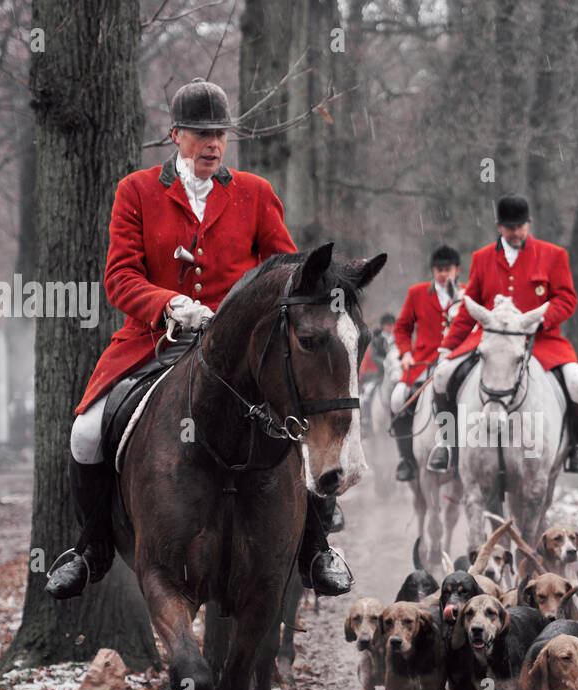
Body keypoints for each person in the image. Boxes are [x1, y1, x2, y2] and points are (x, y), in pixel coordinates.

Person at [45, 78, 353, 600]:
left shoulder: (254, 193)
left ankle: (317, 548)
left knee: (297, 415)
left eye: (221, 134)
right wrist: (168, 304)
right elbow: (119, 277)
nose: (213, 144)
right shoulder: (137, 191)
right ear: (176, 135)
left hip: (240, 355)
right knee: (85, 432)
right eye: (202, 133)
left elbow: (288, 270)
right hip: (154, 342)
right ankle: (92, 546)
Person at [426, 195, 578, 474]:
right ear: (499, 227)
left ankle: (576, 447)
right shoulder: (482, 258)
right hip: (491, 340)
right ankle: (447, 442)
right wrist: (447, 348)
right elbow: (469, 308)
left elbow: (567, 299)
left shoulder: (553, 255)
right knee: (441, 377)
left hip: (541, 340)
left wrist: (543, 320)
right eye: (510, 227)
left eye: (520, 226)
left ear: (529, 224)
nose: (516, 233)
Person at [392, 245, 464, 481]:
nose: (443, 274)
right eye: (439, 269)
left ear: (457, 270)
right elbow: (402, 328)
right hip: (423, 363)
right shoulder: (417, 293)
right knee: (398, 399)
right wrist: (405, 354)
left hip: (457, 361)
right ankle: (407, 460)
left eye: (448, 269)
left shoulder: (468, 293)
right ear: (433, 270)